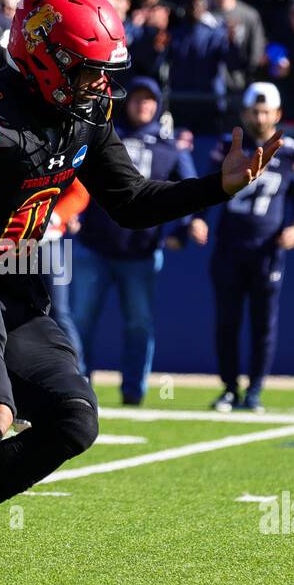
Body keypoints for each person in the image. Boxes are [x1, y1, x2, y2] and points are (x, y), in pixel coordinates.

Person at [0, 0, 283, 585]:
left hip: (21, 287)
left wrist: (217, 186)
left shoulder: (88, 114)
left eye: (104, 72)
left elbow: (129, 202)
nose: (100, 86)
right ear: (45, 55)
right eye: (87, 71)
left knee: (73, 422)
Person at [72, 77, 207, 406]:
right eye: (137, 99)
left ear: (157, 106)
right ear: (125, 102)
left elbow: (188, 191)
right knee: (79, 323)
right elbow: (71, 174)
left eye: (149, 100)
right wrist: (69, 210)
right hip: (95, 245)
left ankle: (133, 390)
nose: (142, 105)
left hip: (141, 251)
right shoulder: (104, 132)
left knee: (138, 325)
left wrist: (183, 230)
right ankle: (76, 390)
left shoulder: (170, 144)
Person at [208, 83, 294, 413]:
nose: (260, 116)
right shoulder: (229, 145)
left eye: (266, 111)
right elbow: (205, 189)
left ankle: (255, 389)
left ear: (278, 114)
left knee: (263, 323)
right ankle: (228, 388)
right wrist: (195, 219)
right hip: (230, 246)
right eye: (254, 111)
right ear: (244, 114)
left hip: (267, 251)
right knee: (227, 320)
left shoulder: (292, 150)